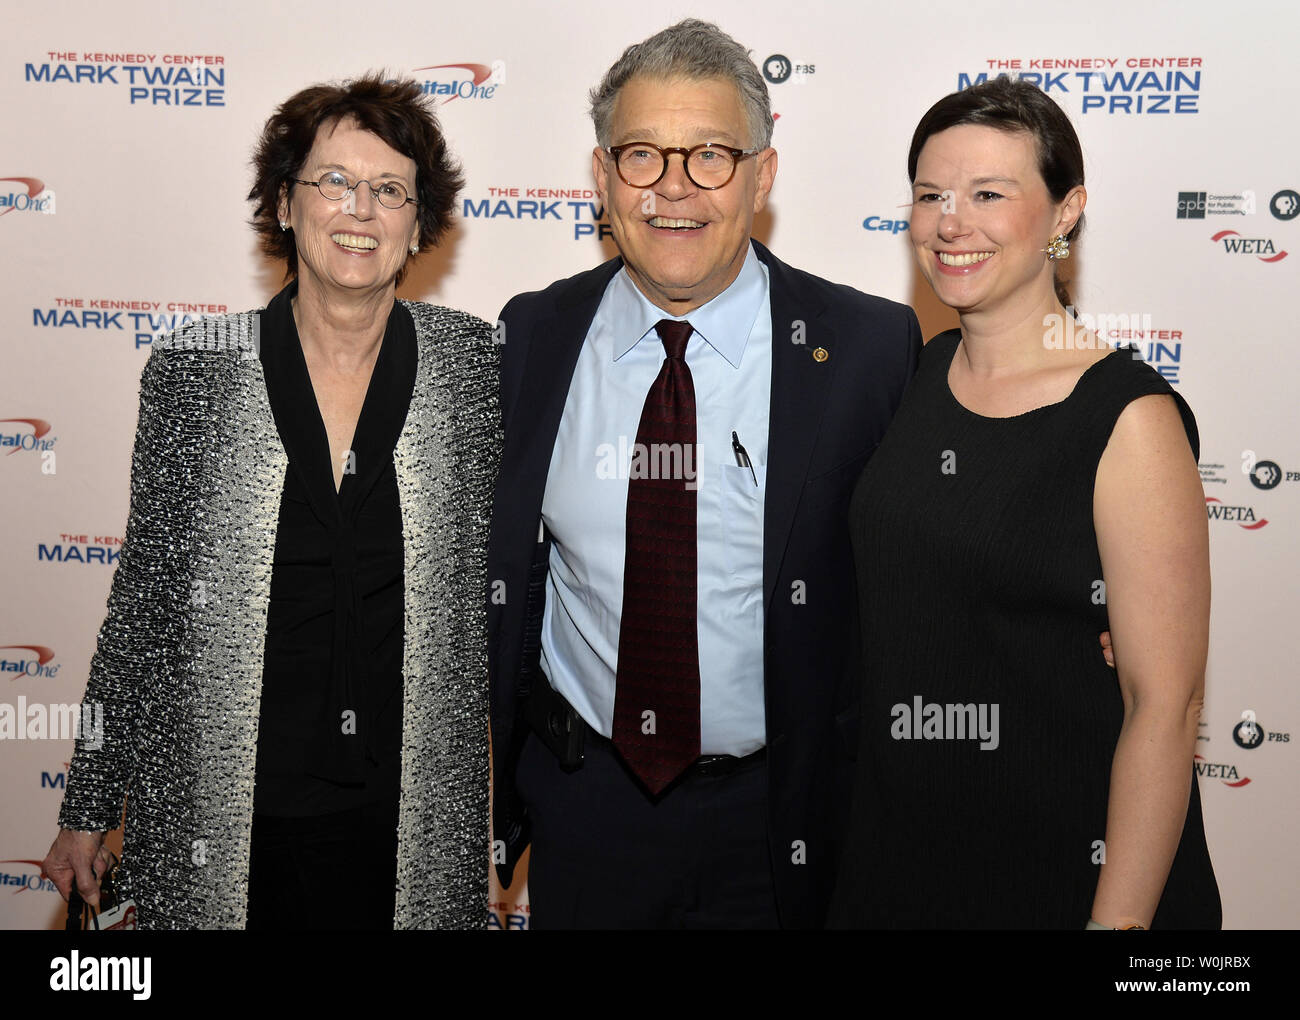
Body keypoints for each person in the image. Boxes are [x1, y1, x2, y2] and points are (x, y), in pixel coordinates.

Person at [486, 19, 921, 928]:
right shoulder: (532, 334)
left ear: (763, 176)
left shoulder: (866, 350)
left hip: (787, 820)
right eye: (642, 155)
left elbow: (927, 551)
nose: (673, 190)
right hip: (587, 808)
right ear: (601, 178)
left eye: (711, 156)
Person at [41, 74, 495, 929]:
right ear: (285, 205)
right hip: (222, 817)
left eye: (390, 189)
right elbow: (144, 602)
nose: (360, 208)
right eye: (333, 181)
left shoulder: (473, 371)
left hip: (409, 823)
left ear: (417, 224)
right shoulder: (195, 372)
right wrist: (88, 800)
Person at [829, 77, 1220, 928]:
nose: (950, 221)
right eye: (931, 194)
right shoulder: (921, 374)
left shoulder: (1127, 417)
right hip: (901, 863)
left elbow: (1166, 705)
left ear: (1065, 212)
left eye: (988, 194)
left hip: (1064, 869)